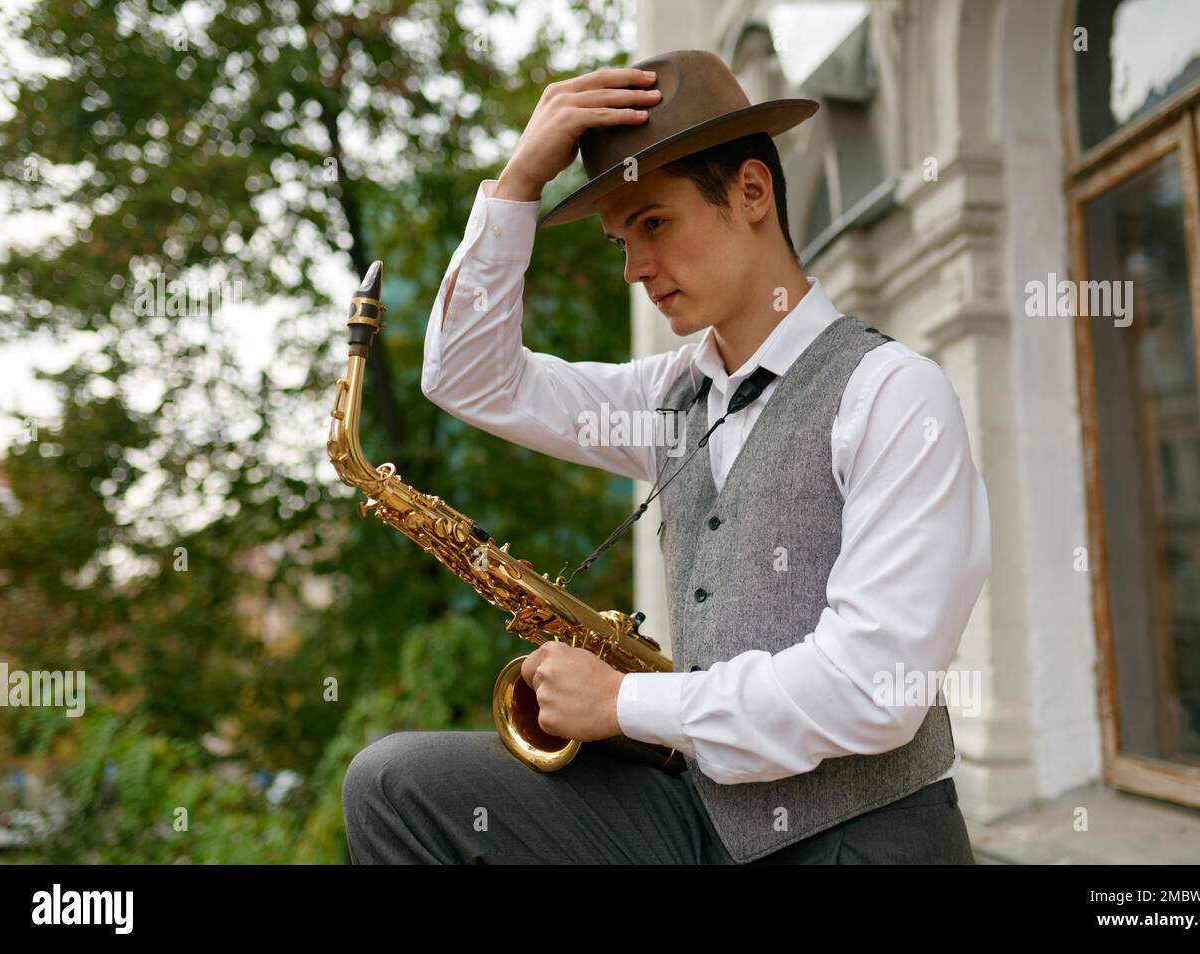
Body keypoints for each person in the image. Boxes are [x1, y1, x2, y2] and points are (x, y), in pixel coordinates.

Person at [343, 49, 991, 865]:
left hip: (862, 840)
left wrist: (625, 702)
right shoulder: (668, 398)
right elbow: (469, 375)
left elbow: (874, 690)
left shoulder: (893, 392)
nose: (635, 269)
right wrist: (518, 181)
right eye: (621, 239)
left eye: (653, 223)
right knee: (393, 784)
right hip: (702, 822)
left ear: (752, 192)